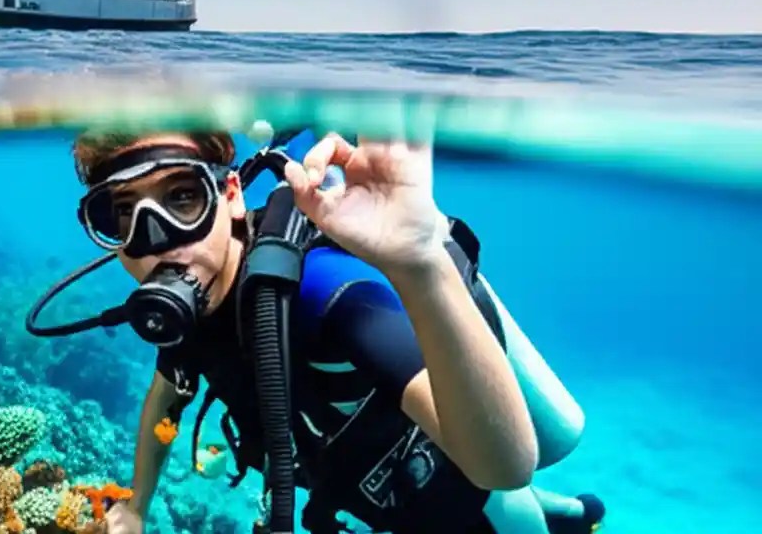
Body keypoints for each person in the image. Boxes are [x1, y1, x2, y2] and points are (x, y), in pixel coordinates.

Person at [58, 128, 605, 534]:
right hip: (362, 497)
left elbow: (501, 466)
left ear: (230, 196)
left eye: (182, 198)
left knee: (524, 507)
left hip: (469, 505)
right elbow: (166, 397)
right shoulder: (183, 315)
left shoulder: (322, 291)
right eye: (120, 214)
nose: (154, 238)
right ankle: (570, 511)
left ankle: (568, 516)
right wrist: (137, 506)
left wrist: (420, 264)